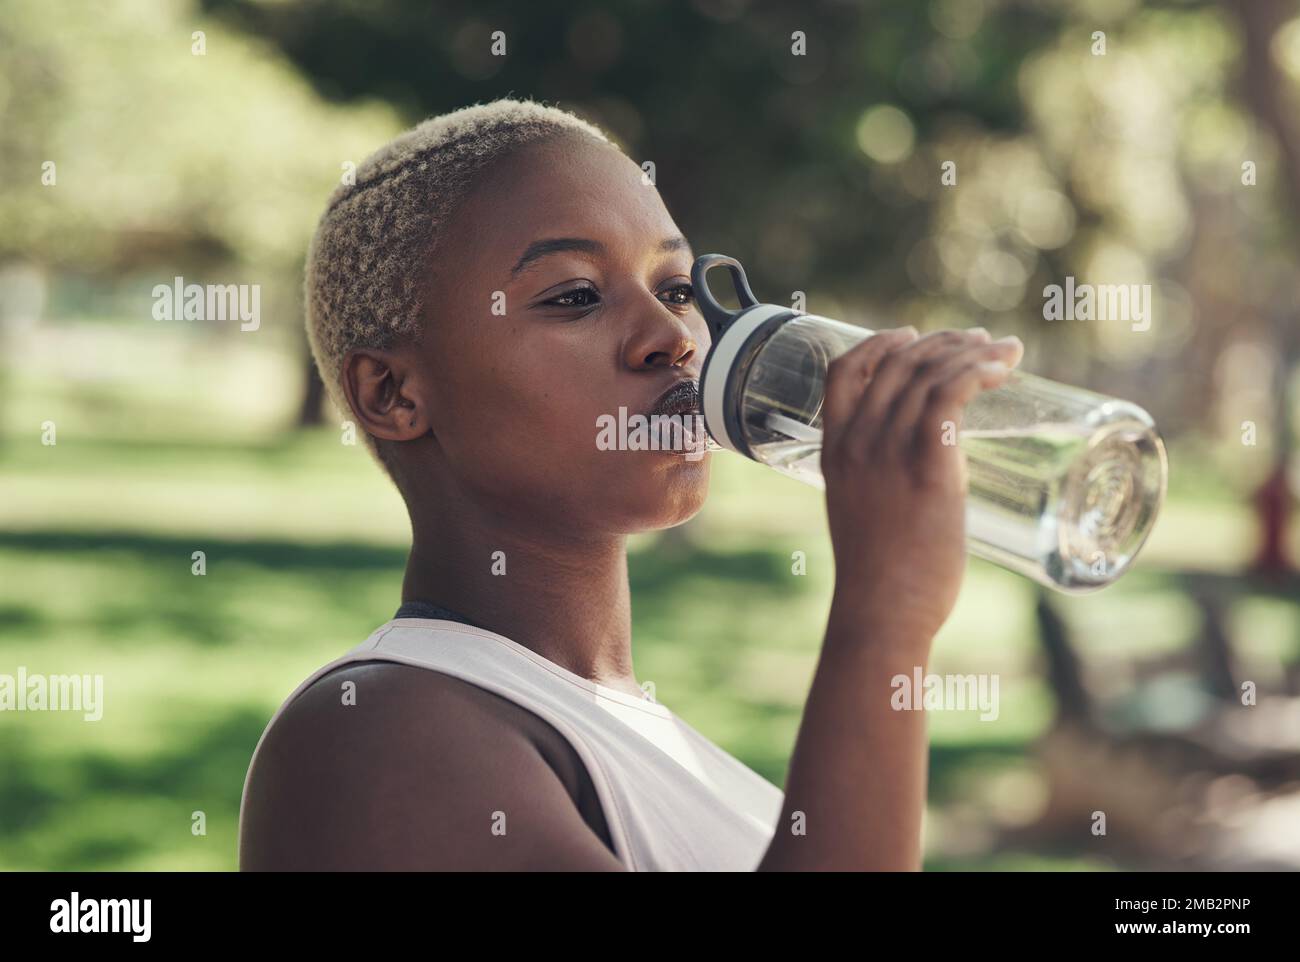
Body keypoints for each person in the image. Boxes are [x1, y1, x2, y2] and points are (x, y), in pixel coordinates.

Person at [237, 97, 1024, 871]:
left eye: (676, 288)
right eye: (576, 296)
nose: (672, 338)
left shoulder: (619, 722)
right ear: (394, 394)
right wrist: (885, 613)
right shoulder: (371, 738)